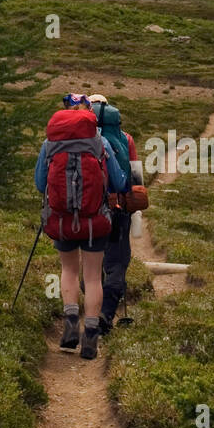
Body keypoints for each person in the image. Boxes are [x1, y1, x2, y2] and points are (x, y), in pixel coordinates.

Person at [34, 93, 125, 359]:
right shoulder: (101, 142)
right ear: (89, 115)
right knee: (94, 276)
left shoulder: (49, 144)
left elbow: (41, 184)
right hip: (95, 220)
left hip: (61, 220)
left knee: (69, 270)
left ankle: (70, 325)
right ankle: (91, 338)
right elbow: (118, 183)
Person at [88, 93, 141, 335]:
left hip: (89, 209)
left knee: (91, 261)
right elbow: (135, 176)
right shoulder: (125, 139)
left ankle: (92, 310)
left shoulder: (82, 139)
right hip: (118, 208)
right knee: (118, 262)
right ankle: (106, 314)